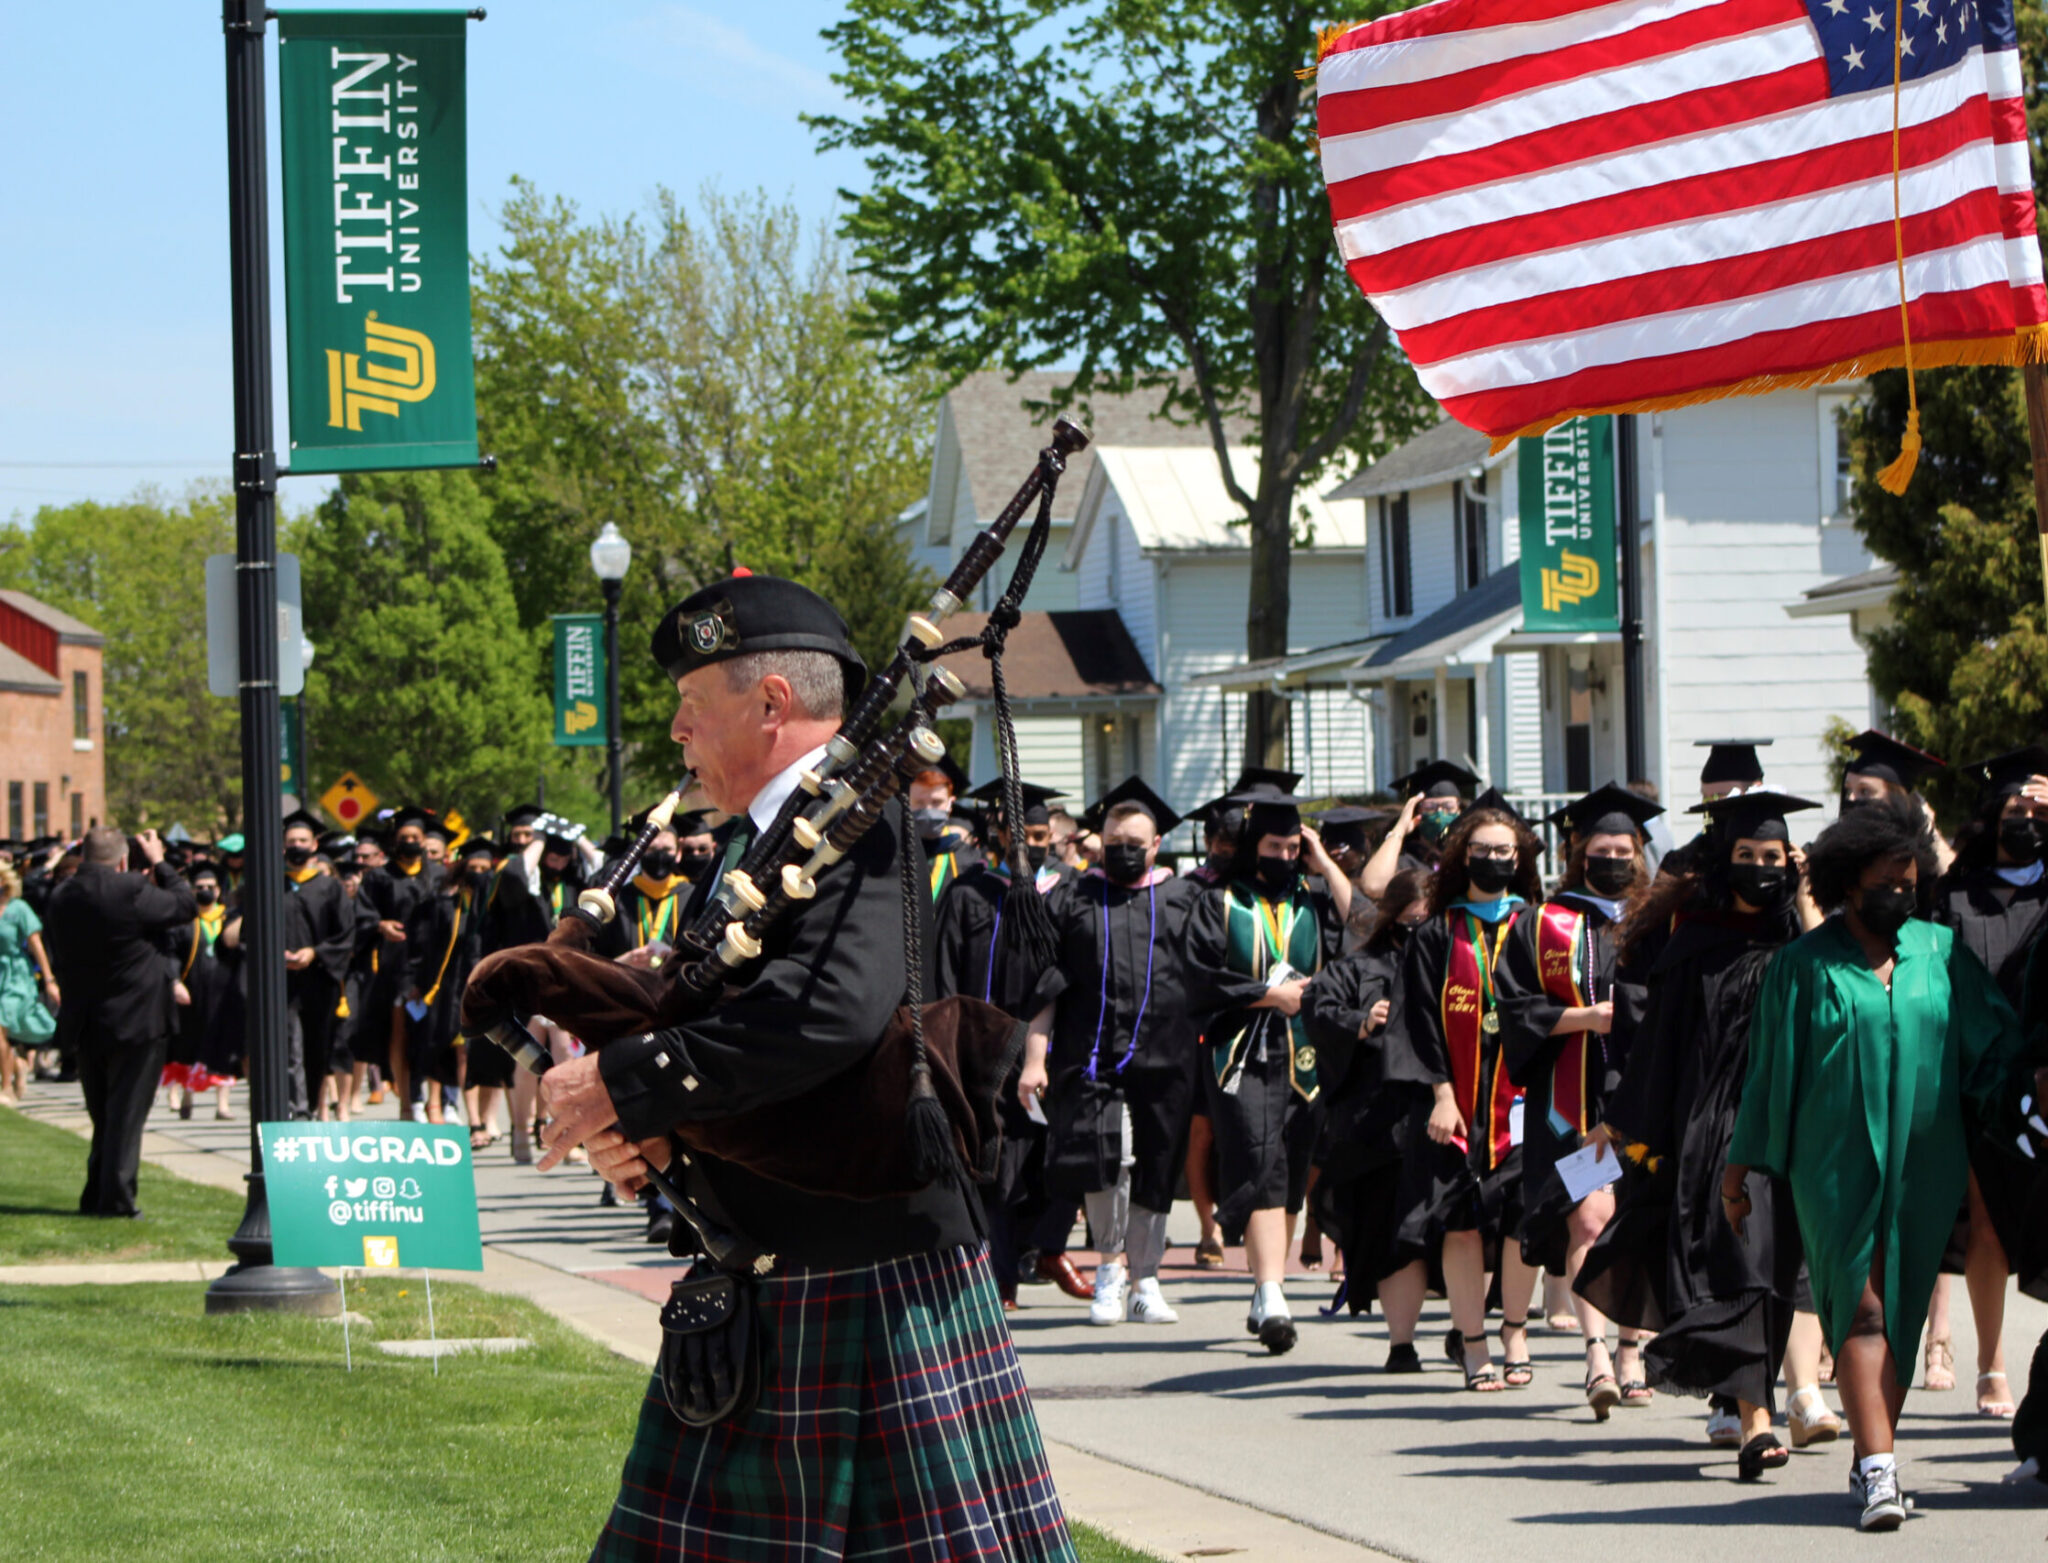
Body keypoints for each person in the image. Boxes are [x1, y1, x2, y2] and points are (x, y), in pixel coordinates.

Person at [487, 572, 1074, 1560]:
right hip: (779, 1256)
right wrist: (649, 1127)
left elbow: (824, 1017)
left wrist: (618, 1085)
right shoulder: (763, 842)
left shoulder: (859, 828)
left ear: (769, 704)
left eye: (689, 703)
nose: (675, 729)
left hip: (868, 1270)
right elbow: (760, 1035)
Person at [1724, 796, 2024, 1530]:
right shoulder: (1802, 964)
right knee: (1859, 1308)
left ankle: (1868, 1457)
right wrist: (1740, 1170)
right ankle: (1885, 1473)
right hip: (1832, 1162)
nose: (1901, 893)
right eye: (1886, 881)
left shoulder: (1941, 951)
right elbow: (1769, 1074)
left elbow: (1993, 1048)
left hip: (1927, 1159)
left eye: (1910, 881)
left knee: (1902, 1314)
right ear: (1846, 881)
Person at [1581, 790, 1837, 1480]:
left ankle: (1763, 1397)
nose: (1760, 868)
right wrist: (1623, 1126)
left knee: (1783, 1274)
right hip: (1717, 1131)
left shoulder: (1802, 941)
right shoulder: (1694, 942)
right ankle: (1757, 1421)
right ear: (1725, 860)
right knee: (1744, 1267)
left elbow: (1836, 993)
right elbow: (1660, 1047)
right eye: (1746, 855)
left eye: (1773, 857)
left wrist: (1809, 893)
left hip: (1794, 1128)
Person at [1498, 784, 1662, 1418]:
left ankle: (1631, 1346)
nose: (1614, 860)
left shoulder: (1656, 921)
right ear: (1578, 852)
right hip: (1573, 1108)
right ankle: (1599, 1354)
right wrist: (1585, 1018)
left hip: (1643, 1102)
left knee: (1635, 1223)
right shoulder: (1543, 923)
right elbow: (1515, 1008)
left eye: (1624, 850)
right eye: (1602, 849)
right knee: (1590, 1220)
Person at [1021, 777, 1200, 1328]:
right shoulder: (1073, 899)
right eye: (1115, 839)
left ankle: (1146, 1278)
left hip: (1165, 1061)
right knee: (1107, 1164)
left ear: (1155, 846)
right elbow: (1045, 986)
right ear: (1100, 841)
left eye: (1135, 841)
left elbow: (1210, 976)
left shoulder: (1182, 899)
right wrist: (1034, 1058)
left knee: (1155, 1168)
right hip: (1092, 1060)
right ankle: (1108, 1270)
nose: (1124, 849)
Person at [1379, 801, 1544, 1392]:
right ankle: (1473, 1345)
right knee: (1461, 1223)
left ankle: (1516, 1332)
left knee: (1526, 1222)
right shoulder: (1435, 934)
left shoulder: (1538, 926)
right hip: (1457, 1106)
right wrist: (1442, 1095)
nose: (1495, 860)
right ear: (1462, 856)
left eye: (1506, 852)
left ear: (1520, 859)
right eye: (1483, 851)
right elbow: (1419, 1021)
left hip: (1526, 1104)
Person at [1187, 784, 1350, 1353]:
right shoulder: (1219, 901)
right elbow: (1200, 975)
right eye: (1273, 845)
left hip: (1306, 1053)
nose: (1283, 856)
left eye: (1292, 846)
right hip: (1242, 1053)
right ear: (1252, 845)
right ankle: (1271, 1292)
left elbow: (1364, 926)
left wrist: (1324, 862)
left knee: (1291, 1169)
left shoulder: (1313, 900)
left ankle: (1266, 1292)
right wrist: (1266, 995)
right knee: (1260, 1160)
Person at [1926, 743, 2048, 1415]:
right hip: (1979, 1085)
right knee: (1989, 1228)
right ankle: (1992, 1362)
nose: (2025, 818)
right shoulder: (1954, 897)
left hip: (2046, 1077)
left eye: (2038, 807)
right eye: (2014, 805)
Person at [934, 779, 1080, 1309]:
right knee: (991, 1167)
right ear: (996, 832)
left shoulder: (1065, 891)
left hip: (1043, 1048)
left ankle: (1036, 1253)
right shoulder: (967, 891)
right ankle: (998, 1281)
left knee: (1046, 1164)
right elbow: (943, 973)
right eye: (1018, 833)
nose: (1028, 844)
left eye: (1039, 834)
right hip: (977, 1049)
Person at [1303, 867, 1435, 1365]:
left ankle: (1471, 1333)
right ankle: (1402, 1341)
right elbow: (1318, 1008)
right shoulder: (1357, 968)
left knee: (1457, 1229)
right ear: (1391, 919)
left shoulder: (1455, 964)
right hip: (1378, 1121)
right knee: (1390, 1229)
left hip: (1448, 1118)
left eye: (1428, 922)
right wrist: (1361, 1022)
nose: (1417, 933)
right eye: (1409, 922)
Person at [46, 827, 196, 1219]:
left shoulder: (61, 895)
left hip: (86, 1019)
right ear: (123, 860)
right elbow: (184, 905)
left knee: (104, 1114)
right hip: (136, 1019)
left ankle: (96, 1193)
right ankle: (116, 1201)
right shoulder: (129, 890)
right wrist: (160, 860)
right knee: (126, 1115)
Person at [358, 807, 443, 1121]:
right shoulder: (380, 877)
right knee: (400, 1033)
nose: (409, 841)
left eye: (415, 837)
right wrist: (380, 925)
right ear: (395, 839)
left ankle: (434, 1102)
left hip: (433, 965)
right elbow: (362, 914)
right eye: (404, 837)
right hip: (397, 966)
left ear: (424, 840)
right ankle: (407, 1103)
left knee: (435, 1034)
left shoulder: (437, 875)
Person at [281, 810, 355, 1120]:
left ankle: (310, 1107)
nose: (297, 845)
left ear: (314, 845)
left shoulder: (330, 887)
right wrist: (278, 954)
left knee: (315, 1047)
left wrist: (315, 952)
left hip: (319, 980)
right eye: (291, 841)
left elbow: (345, 933)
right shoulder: (272, 884)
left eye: (302, 840)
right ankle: (292, 1109)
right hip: (281, 981)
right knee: (287, 1046)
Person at [168, 862, 243, 1121]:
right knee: (190, 1046)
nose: (205, 891)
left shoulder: (229, 918)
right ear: (191, 891)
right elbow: (172, 956)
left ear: (219, 891)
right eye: (200, 887)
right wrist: (175, 982)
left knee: (225, 1046)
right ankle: (187, 1097)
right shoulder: (183, 923)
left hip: (225, 993)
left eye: (210, 887)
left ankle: (222, 1105)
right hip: (193, 995)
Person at [1360, 760, 1477, 899]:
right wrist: (1400, 829)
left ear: (1460, 811)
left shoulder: (1470, 855)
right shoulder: (1405, 861)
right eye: (1430, 807)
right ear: (1416, 813)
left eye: (1448, 806)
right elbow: (1373, 885)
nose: (1440, 815)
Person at [0, 862, 61, 1105]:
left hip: (14, 975)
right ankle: (17, 1065)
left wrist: (49, 980)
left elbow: (36, 945)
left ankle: (5, 1088)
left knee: (1, 1026)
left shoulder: (19, 909)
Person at [909, 758, 981, 899]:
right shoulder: (892, 854)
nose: (928, 810)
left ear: (950, 803)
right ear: (906, 802)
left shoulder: (969, 861)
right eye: (919, 802)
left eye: (936, 802)